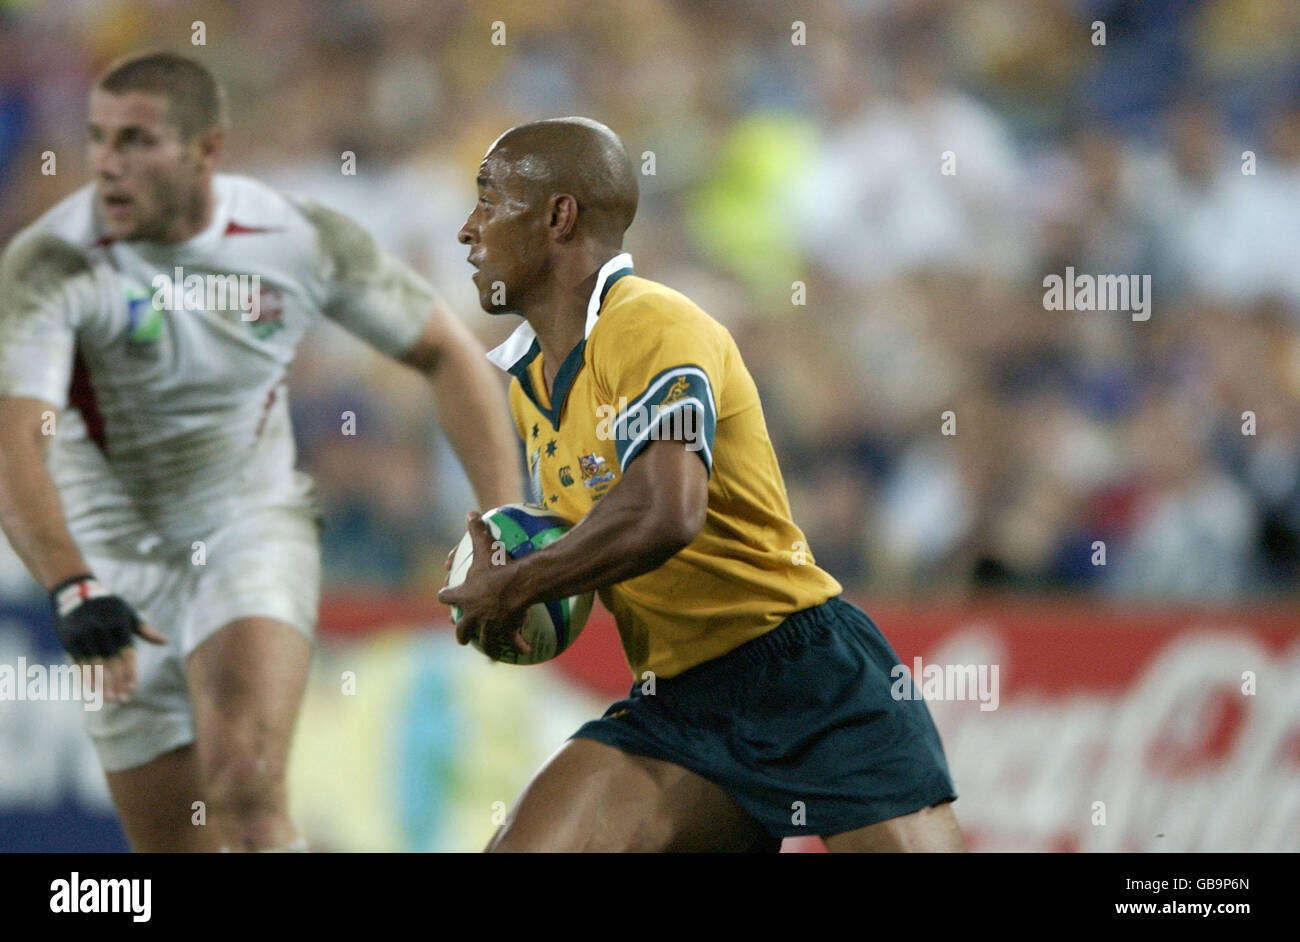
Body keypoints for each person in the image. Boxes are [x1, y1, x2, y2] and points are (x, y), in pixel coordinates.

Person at [0, 51, 521, 852]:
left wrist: (503, 518)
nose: (106, 163)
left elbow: (448, 352)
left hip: (249, 528)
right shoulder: (52, 262)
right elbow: (16, 442)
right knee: (174, 839)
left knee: (245, 781)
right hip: (112, 550)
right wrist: (70, 582)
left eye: (135, 141)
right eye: (99, 138)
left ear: (205, 149)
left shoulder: (295, 237)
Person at [440, 117, 966, 852]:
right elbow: (598, 552)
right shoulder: (531, 384)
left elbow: (666, 510)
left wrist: (526, 582)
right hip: (681, 701)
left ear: (559, 216)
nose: (468, 230)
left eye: (489, 200)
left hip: (806, 675)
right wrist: (525, 603)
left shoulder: (652, 323)